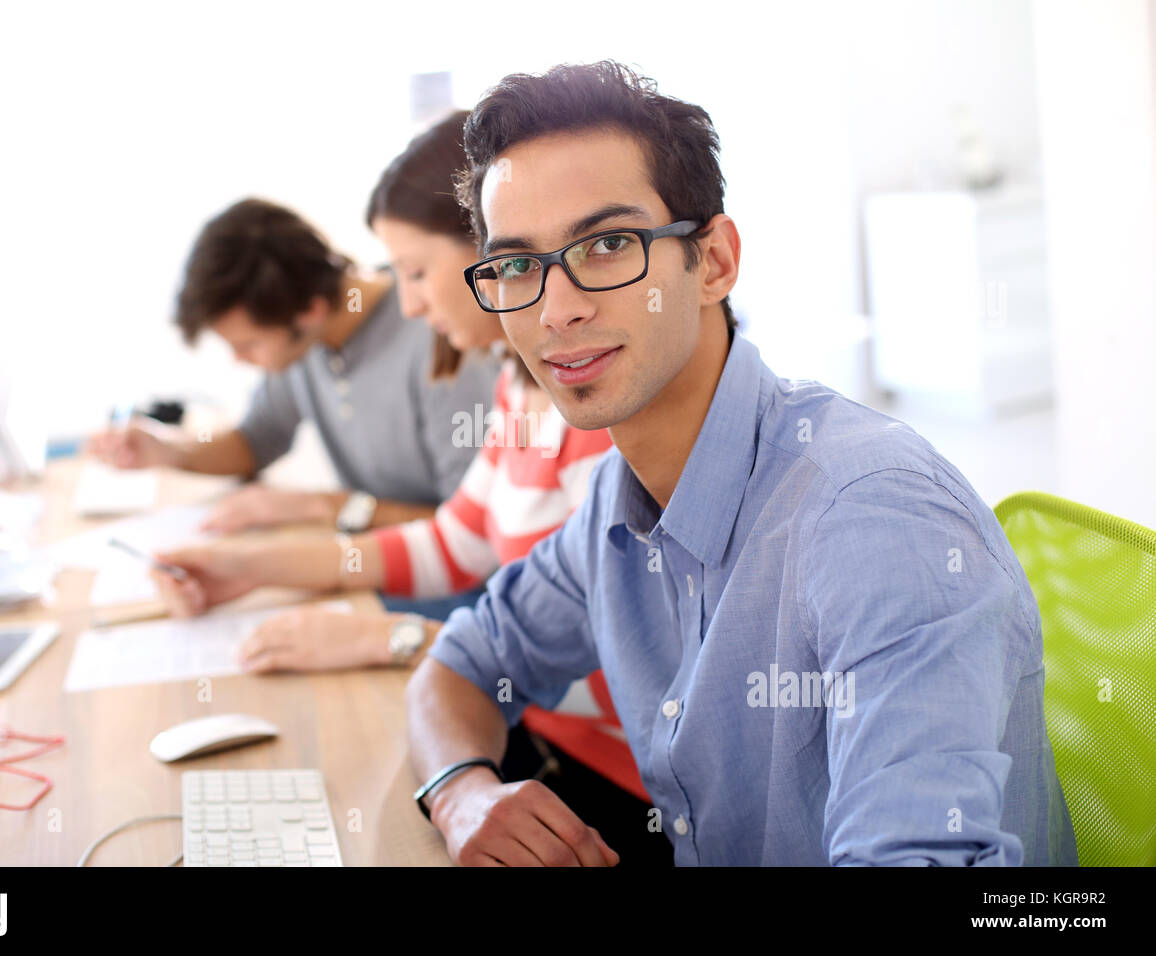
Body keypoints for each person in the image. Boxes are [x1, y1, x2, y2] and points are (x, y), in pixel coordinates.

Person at [403, 61, 1078, 867]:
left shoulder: (873, 517)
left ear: (714, 262)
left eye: (608, 244)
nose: (558, 310)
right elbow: (460, 664)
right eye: (517, 265)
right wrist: (461, 791)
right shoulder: (618, 503)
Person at [149, 113, 673, 864]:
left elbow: (640, 676)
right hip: (537, 743)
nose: (411, 304)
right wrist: (246, 568)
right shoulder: (521, 391)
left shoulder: (606, 413)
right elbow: (451, 542)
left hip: (617, 791)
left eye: (417, 272)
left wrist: (384, 637)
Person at [86, 198, 499, 535]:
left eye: (248, 345)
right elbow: (255, 441)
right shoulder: (306, 344)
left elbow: (471, 529)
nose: (239, 360)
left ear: (310, 311)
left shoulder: (444, 338)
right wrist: (169, 449)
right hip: (376, 561)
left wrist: (319, 506)